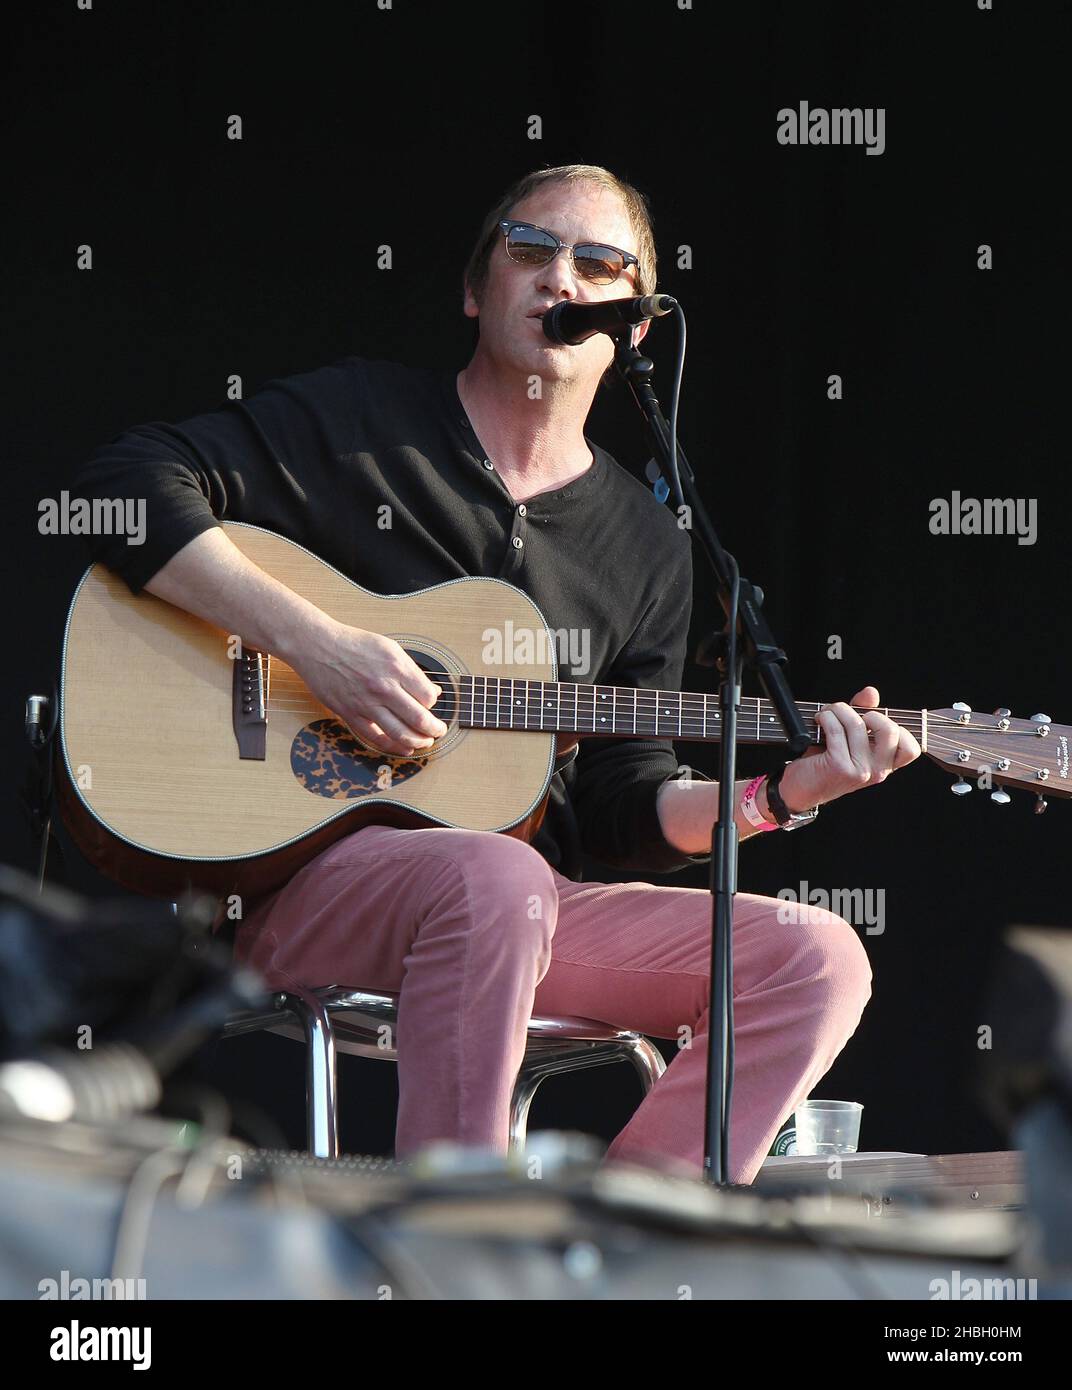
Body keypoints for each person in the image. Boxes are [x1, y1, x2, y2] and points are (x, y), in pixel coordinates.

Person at [72, 163, 920, 1182]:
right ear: (475, 290)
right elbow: (121, 488)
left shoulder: (648, 545)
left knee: (815, 956)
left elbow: (623, 803)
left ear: (636, 325)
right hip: (294, 885)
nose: (562, 279)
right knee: (495, 873)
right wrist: (314, 645)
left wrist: (778, 796)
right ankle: (462, 1238)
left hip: (524, 907)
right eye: (531, 251)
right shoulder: (361, 426)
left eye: (599, 265)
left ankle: (618, 1243)